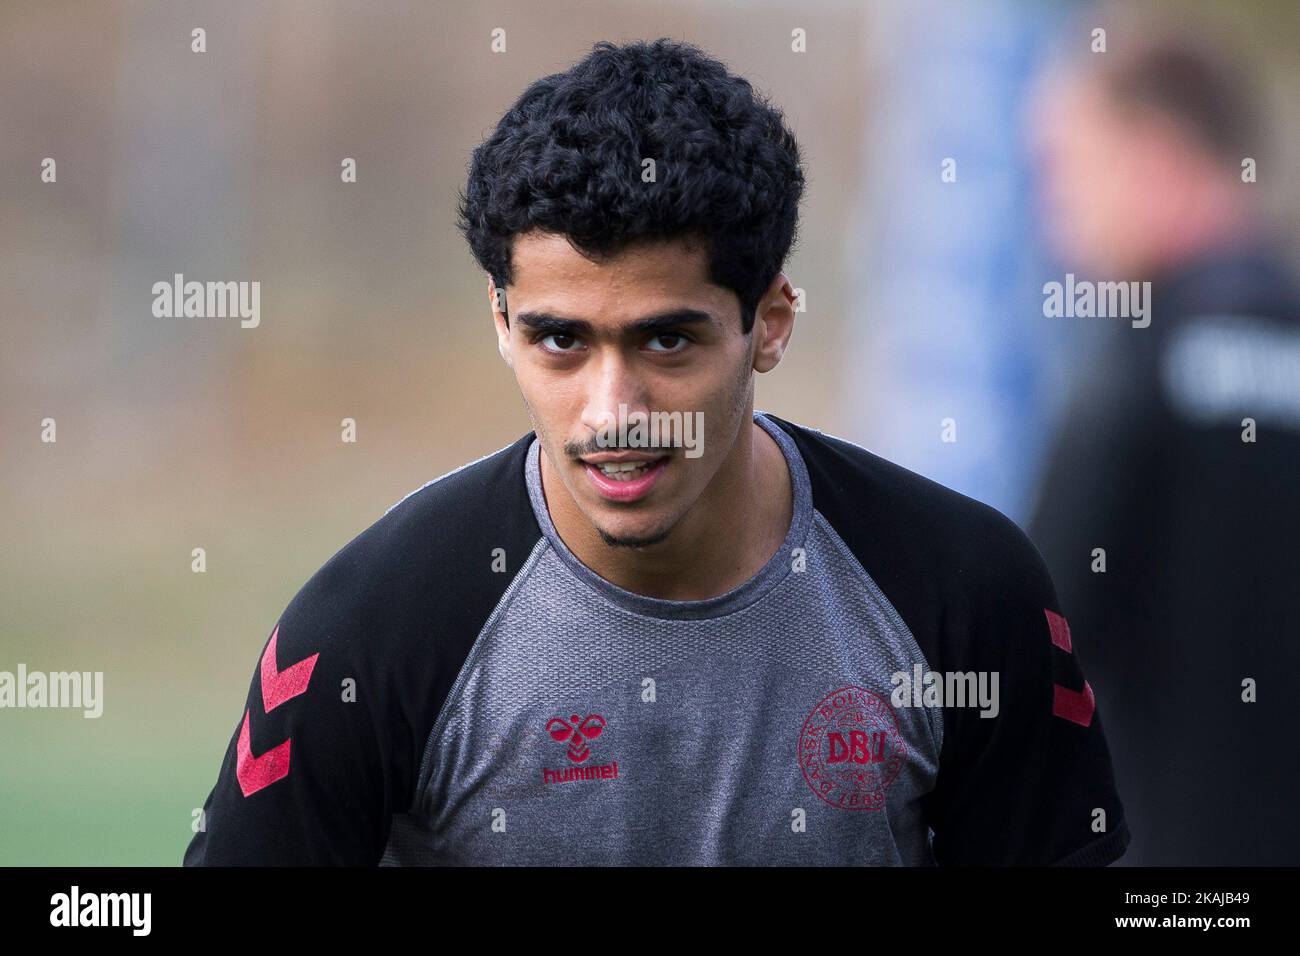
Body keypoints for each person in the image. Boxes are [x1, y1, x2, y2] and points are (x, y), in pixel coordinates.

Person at [184, 37, 1128, 866]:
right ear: (502, 323)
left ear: (770, 324)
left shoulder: (961, 588)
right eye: (561, 340)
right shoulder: (372, 628)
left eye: (666, 341)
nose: (612, 411)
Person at [1027, 30, 1300, 864]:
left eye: (1065, 169)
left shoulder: (1134, 369)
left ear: (1155, 154)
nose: (1054, 211)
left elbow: (1041, 629)